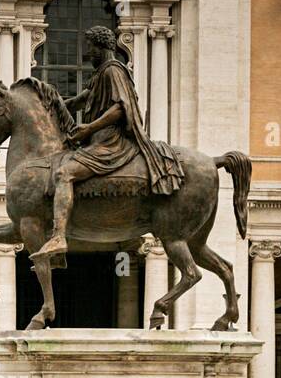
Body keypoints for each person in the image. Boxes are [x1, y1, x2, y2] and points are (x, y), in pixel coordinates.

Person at [31, 26, 184, 264]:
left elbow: (120, 108)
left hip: (110, 144)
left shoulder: (113, 71)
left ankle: (59, 237)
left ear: (101, 46)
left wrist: (89, 128)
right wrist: (54, 107)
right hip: (97, 142)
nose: (88, 53)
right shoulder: (100, 74)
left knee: (64, 173)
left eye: (90, 47)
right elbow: (82, 99)